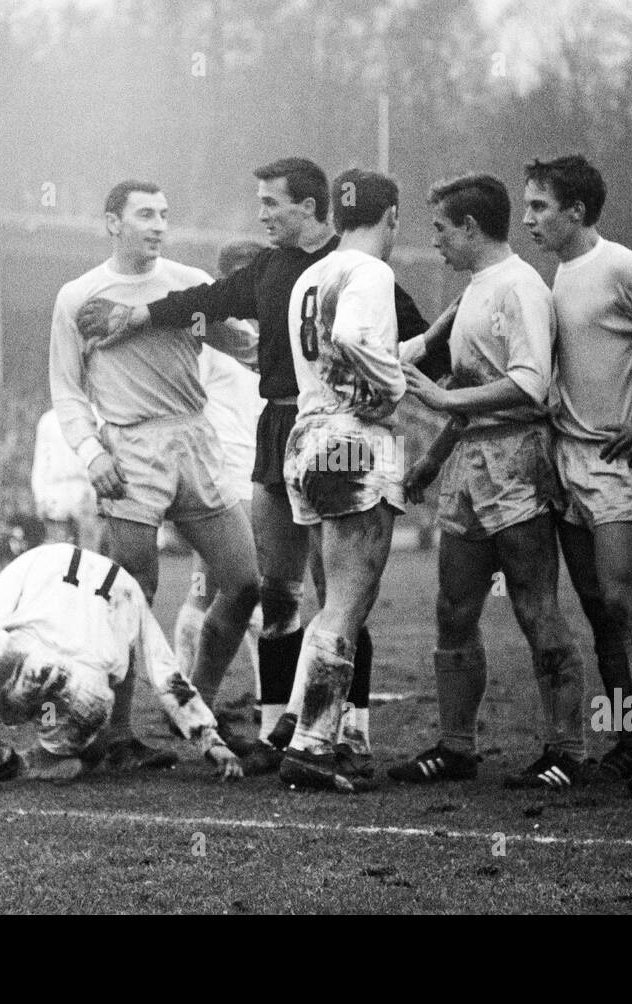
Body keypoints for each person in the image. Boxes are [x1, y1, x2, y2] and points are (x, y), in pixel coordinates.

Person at [78, 159, 430, 773]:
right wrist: (137, 315)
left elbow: (422, 337)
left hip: (332, 426)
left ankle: (351, 733)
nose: (262, 215)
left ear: (312, 207)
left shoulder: (355, 272)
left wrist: (402, 387)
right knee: (277, 590)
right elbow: (207, 299)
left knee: (338, 593)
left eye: (272, 204)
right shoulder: (271, 269)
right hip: (282, 430)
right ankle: (277, 729)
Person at [388, 172, 588, 790]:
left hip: (517, 463)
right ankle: (456, 747)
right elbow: (469, 388)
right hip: (469, 462)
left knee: (534, 607)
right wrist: (431, 460)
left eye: (442, 230)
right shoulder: (474, 288)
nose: (436, 242)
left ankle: (566, 751)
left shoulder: (521, 288)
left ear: (471, 228)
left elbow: (529, 383)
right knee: (454, 609)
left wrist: (445, 405)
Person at [50, 179, 261, 750]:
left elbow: (239, 346)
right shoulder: (79, 296)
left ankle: (198, 706)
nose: (159, 224)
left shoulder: (189, 284)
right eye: (145, 214)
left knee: (243, 583)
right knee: (131, 591)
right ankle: (115, 734)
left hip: (195, 439)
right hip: (131, 448)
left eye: (164, 214)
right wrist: (92, 454)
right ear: (112, 222)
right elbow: (66, 391)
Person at [520, 154, 632, 786]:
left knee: (625, 602)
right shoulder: (556, 278)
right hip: (568, 464)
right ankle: (630, 739)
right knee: (597, 608)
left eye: (539, 206)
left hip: (616, 463)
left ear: (576, 211)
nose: (528, 218)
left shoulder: (625, 267)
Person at [0, 543, 242, 792]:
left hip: (18, 662)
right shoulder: (128, 586)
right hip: (88, 694)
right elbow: (167, 674)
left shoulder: (39, 556)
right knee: (80, 756)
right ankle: (22, 762)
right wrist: (212, 742)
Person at [275, 168, 406, 792]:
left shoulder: (311, 274)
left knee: (330, 600)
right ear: (392, 217)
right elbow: (354, 338)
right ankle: (310, 745)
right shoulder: (372, 272)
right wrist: (397, 386)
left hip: (305, 436)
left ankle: (320, 728)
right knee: (348, 605)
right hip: (351, 438)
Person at [173, 239, 266, 710]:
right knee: (254, 584)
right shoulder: (206, 332)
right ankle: (266, 698)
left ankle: (185, 692)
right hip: (224, 468)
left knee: (207, 585)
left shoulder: (262, 330)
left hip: (258, 464)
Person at [31, 408, 103, 553]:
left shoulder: (96, 415)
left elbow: (101, 457)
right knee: (58, 551)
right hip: (56, 489)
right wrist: (40, 497)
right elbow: (40, 461)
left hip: (85, 486)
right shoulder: (48, 419)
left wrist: (97, 493)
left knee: (89, 553)